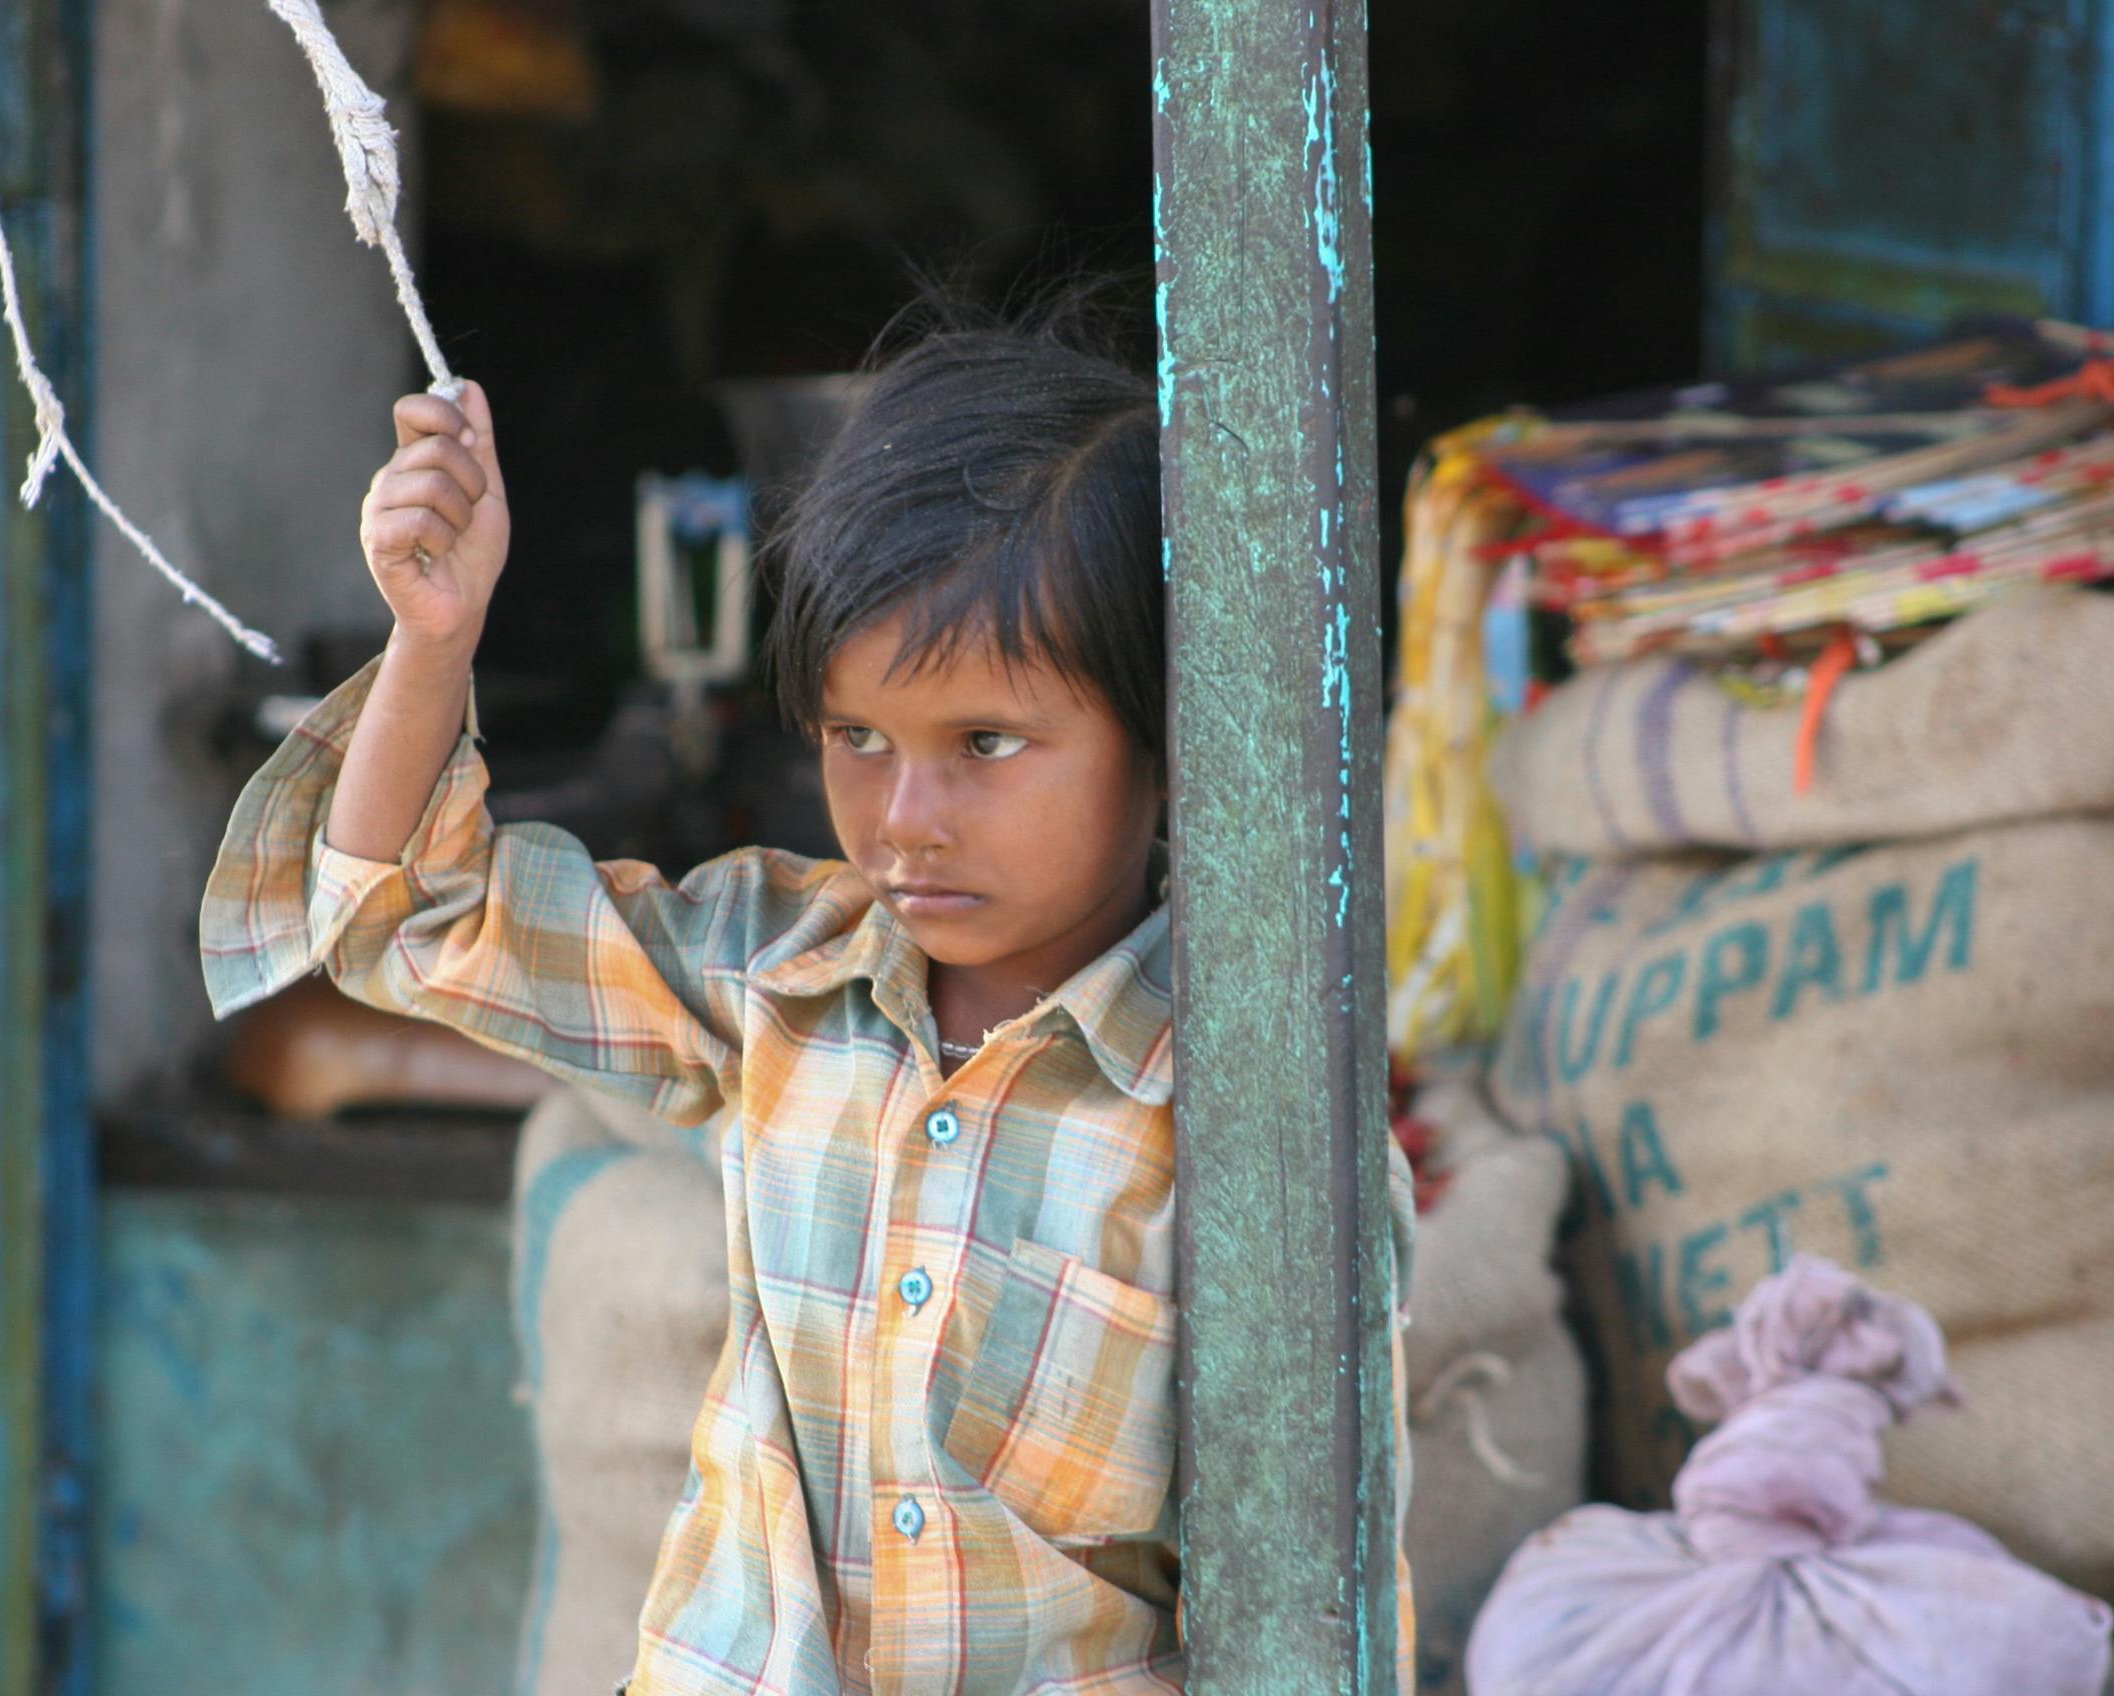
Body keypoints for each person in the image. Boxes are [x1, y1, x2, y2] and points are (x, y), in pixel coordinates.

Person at [201, 300, 1409, 1691]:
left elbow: (1306, 1630)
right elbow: (404, 908)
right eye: (856, 737)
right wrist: (434, 634)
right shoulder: (774, 977)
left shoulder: (1258, 1138)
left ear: (1170, 735)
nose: (905, 817)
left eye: (988, 742)